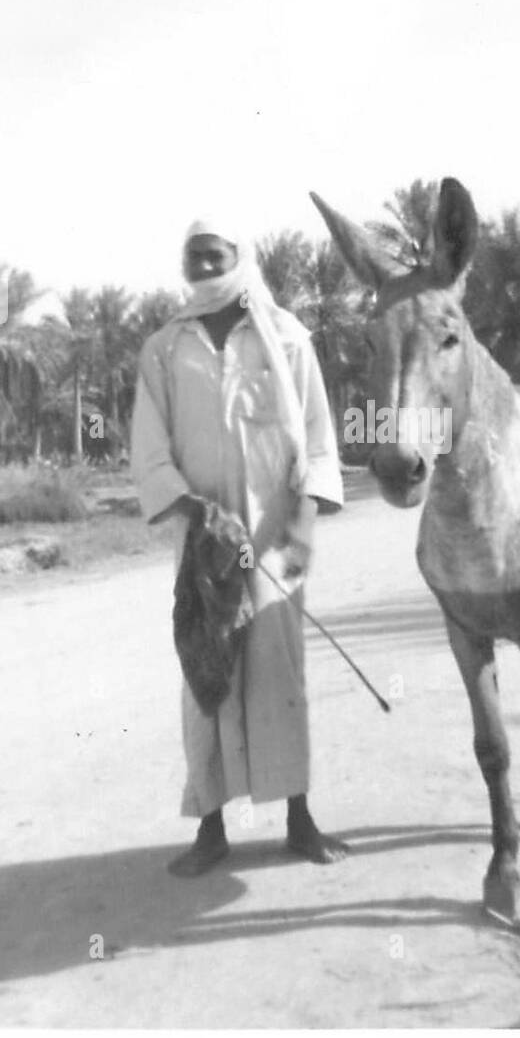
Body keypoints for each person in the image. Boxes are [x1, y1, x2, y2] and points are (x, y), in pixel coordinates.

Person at [131, 219, 348, 876]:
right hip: (204, 544)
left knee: (282, 673)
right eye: (192, 256)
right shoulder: (165, 349)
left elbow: (315, 439)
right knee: (207, 669)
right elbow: (150, 450)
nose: (202, 265)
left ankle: (300, 820)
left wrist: (305, 522)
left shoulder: (286, 338)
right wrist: (196, 510)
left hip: (274, 537)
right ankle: (210, 827)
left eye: (214, 255)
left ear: (240, 257)